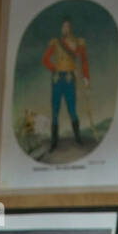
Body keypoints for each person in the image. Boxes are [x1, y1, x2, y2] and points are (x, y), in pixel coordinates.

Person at [41, 16, 89, 152]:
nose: (64, 29)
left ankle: (78, 138)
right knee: (55, 111)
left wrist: (86, 77)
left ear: (70, 27)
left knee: (72, 110)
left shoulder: (78, 42)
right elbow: (45, 60)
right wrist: (54, 69)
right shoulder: (55, 42)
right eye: (63, 27)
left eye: (67, 26)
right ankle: (54, 142)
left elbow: (84, 60)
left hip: (69, 78)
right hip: (57, 79)